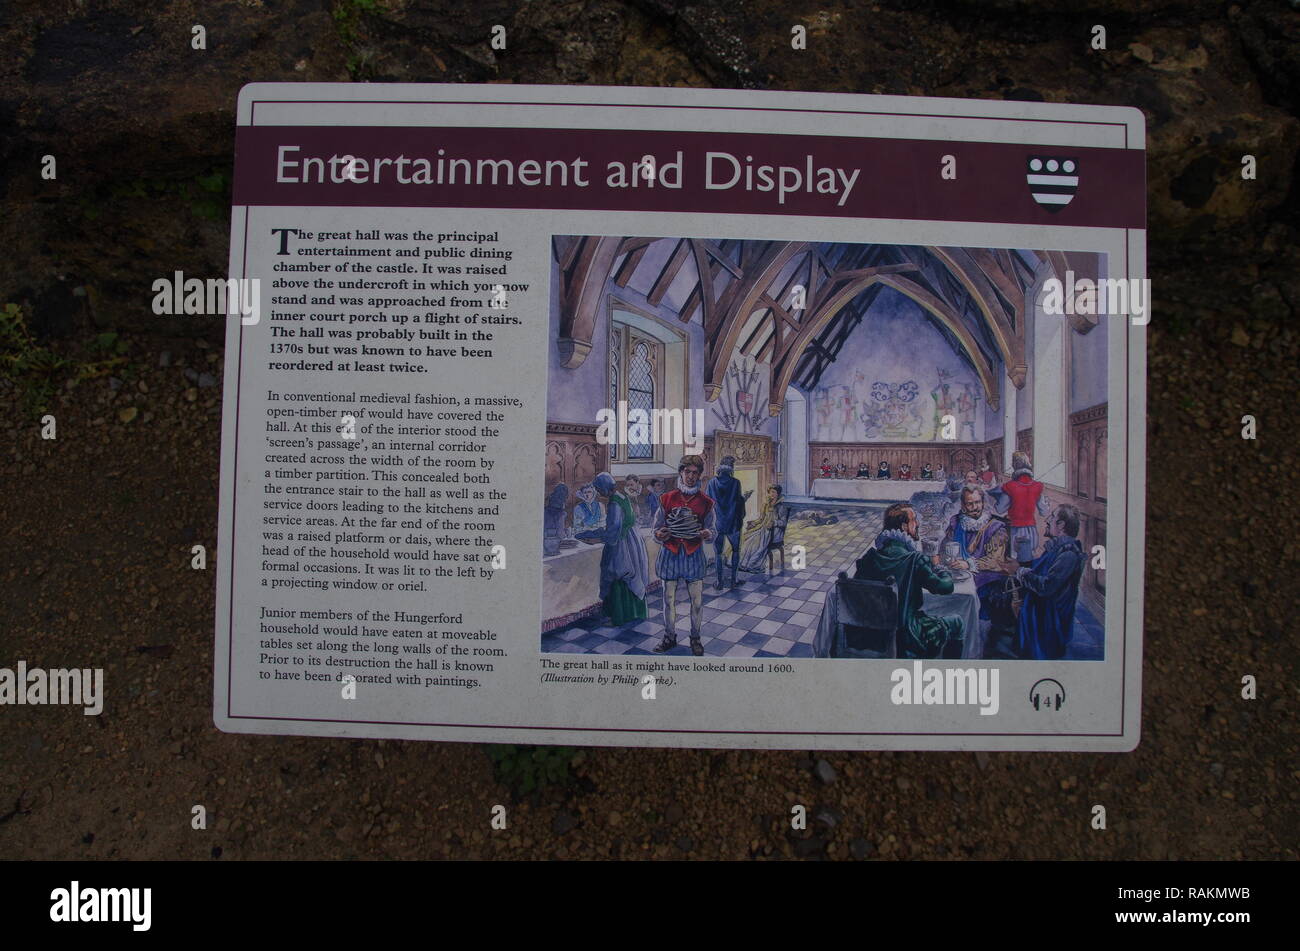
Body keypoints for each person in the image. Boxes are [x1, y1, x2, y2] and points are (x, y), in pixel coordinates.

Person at [853, 504, 963, 659]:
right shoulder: (914, 559)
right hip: (907, 636)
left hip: (870, 635)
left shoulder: (869, 558)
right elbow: (945, 587)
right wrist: (939, 567)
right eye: (914, 520)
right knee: (957, 622)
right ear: (904, 526)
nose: (917, 524)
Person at [981, 505, 1085, 659]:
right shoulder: (1059, 548)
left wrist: (1018, 570)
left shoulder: (1068, 554)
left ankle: (995, 643)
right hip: (1040, 601)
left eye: (1052, 517)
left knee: (992, 595)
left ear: (1061, 525)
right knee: (992, 585)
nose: (1048, 520)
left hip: (1046, 612)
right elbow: (1038, 568)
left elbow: (1045, 586)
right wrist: (1019, 561)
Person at [652, 455, 716, 656]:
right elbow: (656, 528)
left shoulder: (706, 502)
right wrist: (658, 534)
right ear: (681, 472)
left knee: (696, 601)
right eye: (687, 472)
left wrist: (708, 534)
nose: (691, 476)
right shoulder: (666, 498)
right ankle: (669, 636)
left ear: (699, 476)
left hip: (693, 554)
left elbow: (712, 530)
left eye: (695, 473)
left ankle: (695, 638)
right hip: (670, 554)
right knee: (668, 599)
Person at [590, 472, 648, 625]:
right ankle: (634, 612)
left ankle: (619, 616)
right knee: (632, 575)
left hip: (621, 543)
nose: (598, 492)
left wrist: (600, 537)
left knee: (617, 574)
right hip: (631, 539)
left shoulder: (614, 502)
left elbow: (615, 527)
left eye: (598, 488)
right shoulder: (621, 496)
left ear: (604, 487)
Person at [942, 487, 1012, 588]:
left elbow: (996, 561)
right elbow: (945, 547)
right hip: (957, 572)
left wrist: (968, 564)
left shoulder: (995, 527)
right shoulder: (956, 522)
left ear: (983, 503)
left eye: (978, 502)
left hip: (986, 578)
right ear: (963, 505)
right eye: (969, 504)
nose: (975, 507)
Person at [989, 451, 1049, 566]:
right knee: (1028, 562)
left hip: (1015, 531)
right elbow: (1044, 511)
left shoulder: (1010, 486)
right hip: (1031, 531)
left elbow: (1000, 509)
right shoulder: (1037, 486)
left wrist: (996, 498)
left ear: (1015, 466)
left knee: (1015, 564)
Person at [706, 456, 751, 590]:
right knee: (736, 550)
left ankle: (719, 581)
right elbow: (737, 502)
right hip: (733, 523)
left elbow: (708, 503)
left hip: (717, 523)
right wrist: (745, 498)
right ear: (731, 468)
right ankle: (734, 579)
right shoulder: (735, 482)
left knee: (718, 553)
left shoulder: (712, 482)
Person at [738, 485, 784, 576]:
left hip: (773, 531)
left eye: (774, 492)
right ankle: (743, 564)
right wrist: (754, 523)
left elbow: (783, 522)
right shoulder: (765, 504)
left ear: (778, 494)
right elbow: (761, 519)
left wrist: (774, 523)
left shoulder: (780, 506)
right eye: (771, 492)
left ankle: (752, 565)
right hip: (763, 527)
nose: (772, 494)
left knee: (757, 542)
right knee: (747, 538)